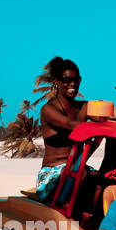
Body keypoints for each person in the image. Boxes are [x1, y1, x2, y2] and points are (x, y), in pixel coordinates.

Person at [35, 56, 88, 198]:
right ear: (57, 82)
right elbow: (71, 125)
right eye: (66, 79)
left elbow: (109, 115)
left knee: (102, 181)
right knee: (85, 178)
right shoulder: (49, 109)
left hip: (77, 170)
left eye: (76, 79)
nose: (72, 83)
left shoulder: (83, 107)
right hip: (53, 173)